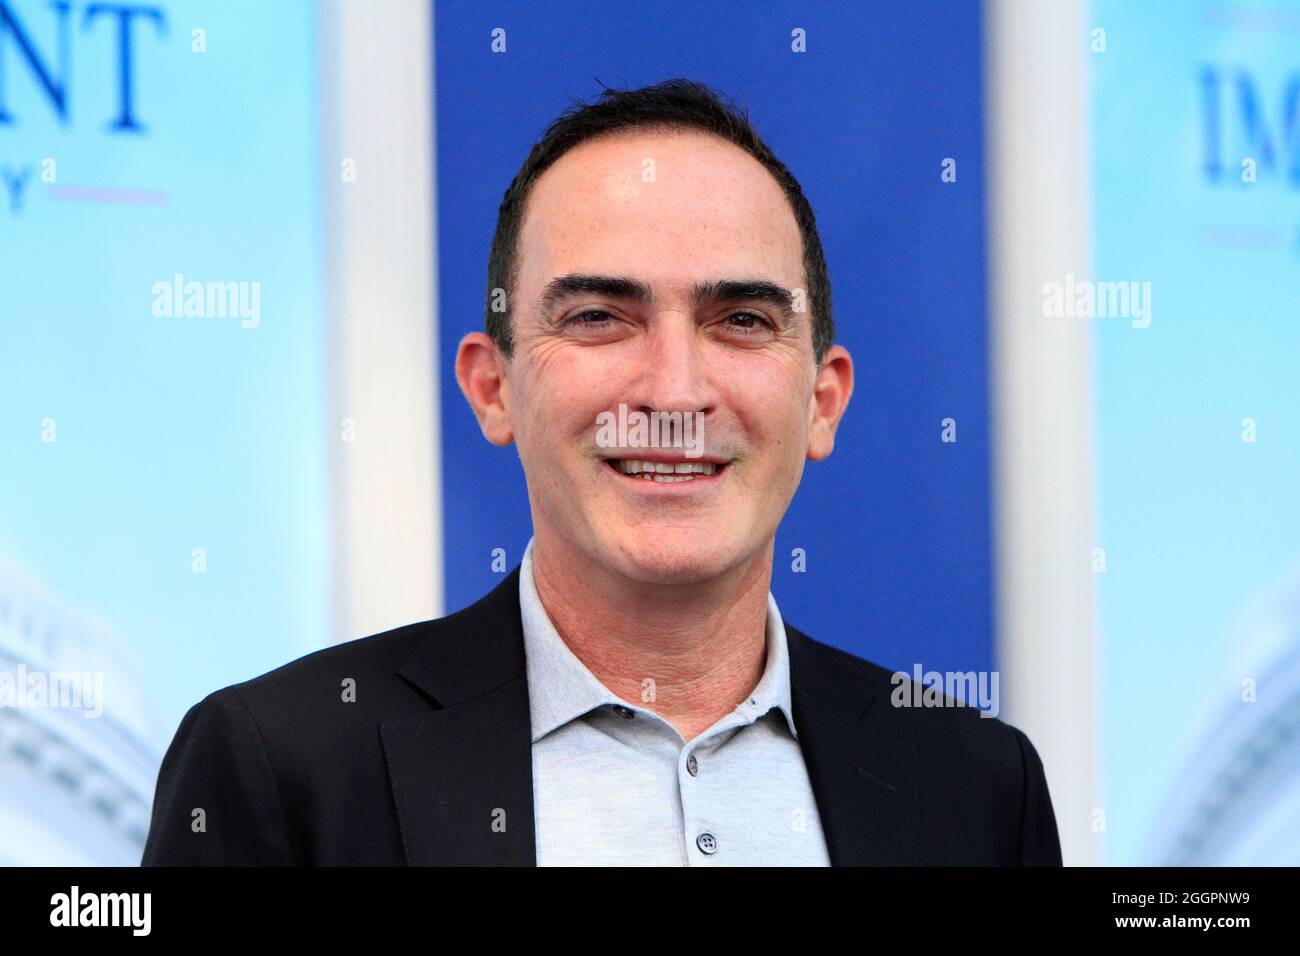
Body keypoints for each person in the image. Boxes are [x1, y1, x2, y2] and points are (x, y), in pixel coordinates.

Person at [141, 78, 1062, 866]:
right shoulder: (280, 768)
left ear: (823, 400)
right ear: (492, 387)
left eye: (740, 319)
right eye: (597, 317)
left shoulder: (977, 791)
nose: (672, 389)